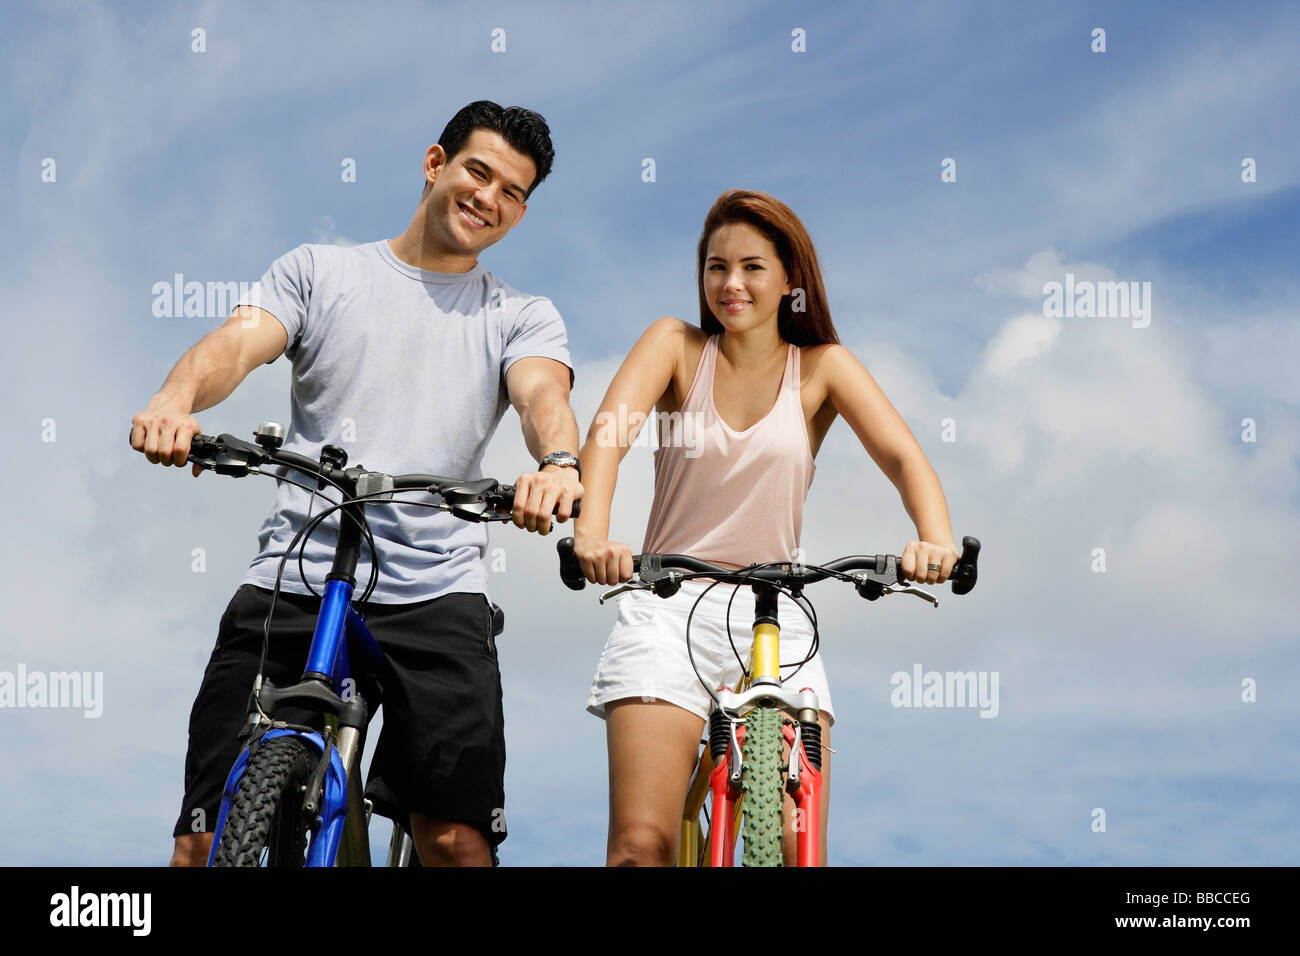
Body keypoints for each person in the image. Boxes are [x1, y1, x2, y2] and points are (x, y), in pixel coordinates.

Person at [130, 101, 584, 867]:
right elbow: (238, 345)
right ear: (435, 162)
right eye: (479, 172)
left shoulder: (521, 316)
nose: (489, 199)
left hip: (437, 589)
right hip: (295, 574)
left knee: (455, 841)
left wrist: (557, 466)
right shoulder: (321, 271)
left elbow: (545, 399)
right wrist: (175, 401)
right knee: (202, 840)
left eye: (513, 192)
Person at [572, 189, 961, 866]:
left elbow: (904, 458)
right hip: (667, 606)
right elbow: (607, 438)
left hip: (777, 615)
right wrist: (593, 534)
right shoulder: (675, 346)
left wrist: (936, 539)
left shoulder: (820, 369)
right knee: (641, 847)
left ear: (791, 282)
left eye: (752, 267)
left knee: (794, 844)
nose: (731, 283)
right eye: (716, 266)